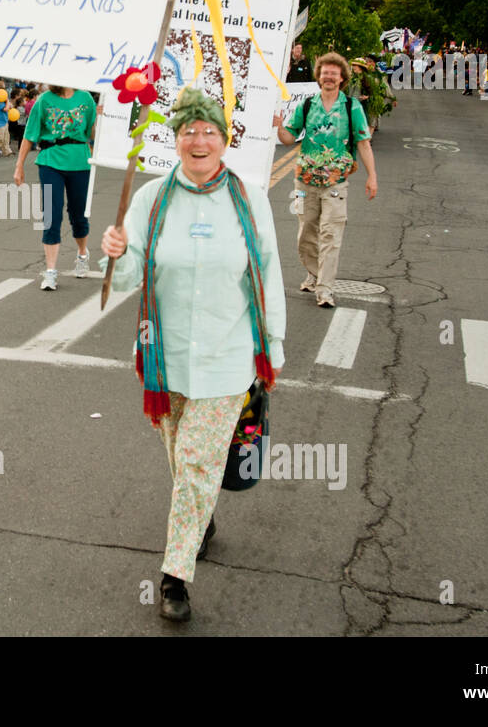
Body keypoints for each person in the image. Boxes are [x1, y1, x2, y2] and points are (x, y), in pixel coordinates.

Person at [100, 85, 285, 623]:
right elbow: (131, 274)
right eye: (188, 132)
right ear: (174, 138)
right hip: (166, 360)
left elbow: (268, 274)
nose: (198, 141)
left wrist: (272, 347)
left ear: (225, 140)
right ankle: (200, 518)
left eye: (209, 131)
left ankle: (174, 575)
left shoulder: (249, 198)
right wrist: (115, 252)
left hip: (228, 359)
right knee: (183, 459)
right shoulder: (151, 198)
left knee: (198, 460)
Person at [272, 52, 377, 308]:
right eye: (325, 73)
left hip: (336, 183)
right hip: (305, 181)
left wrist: (372, 176)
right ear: (318, 77)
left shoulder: (352, 108)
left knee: (331, 234)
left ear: (342, 78)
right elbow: (289, 139)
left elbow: (363, 143)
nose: (328, 77)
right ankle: (314, 273)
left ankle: (325, 289)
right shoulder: (307, 105)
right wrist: (278, 126)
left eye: (334, 73)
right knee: (306, 235)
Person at [15, 84, 98, 289]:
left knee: (78, 213)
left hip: (80, 161)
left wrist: (104, 120)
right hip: (50, 160)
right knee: (51, 214)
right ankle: (51, 271)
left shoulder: (86, 98)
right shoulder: (44, 100)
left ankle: (82, 254)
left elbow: (93, 132)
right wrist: (19, 166)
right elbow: (29, 135)